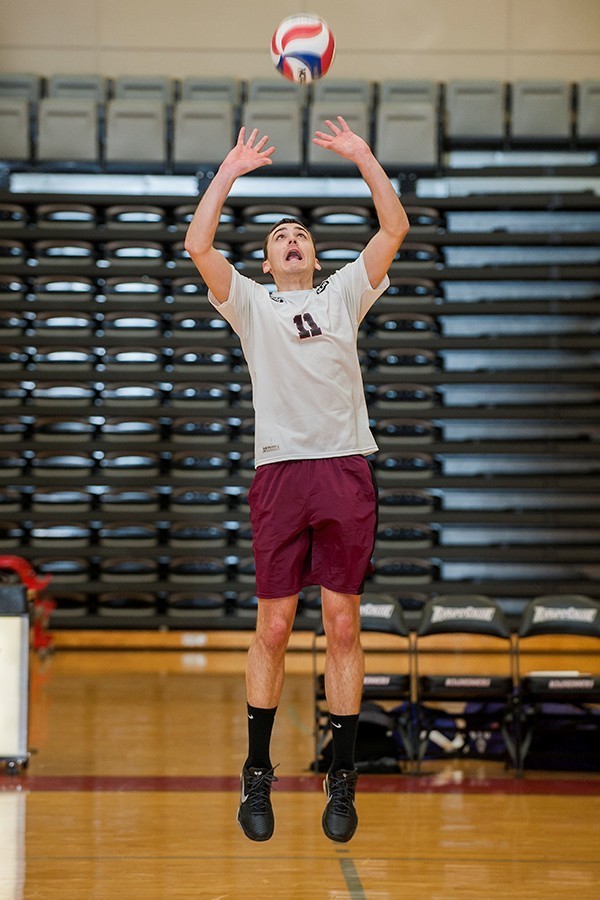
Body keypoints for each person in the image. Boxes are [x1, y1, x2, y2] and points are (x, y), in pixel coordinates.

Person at [184, 116, 409, 843]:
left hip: (343, 466)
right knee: (275, 626)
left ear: (313, 256)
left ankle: (342, 776)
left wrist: (364, 155)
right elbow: (197, 246)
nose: (291, 239)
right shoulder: (251, 304)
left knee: (342, 623)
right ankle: (258, 773)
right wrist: (228, 171)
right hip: (280, 471)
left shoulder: (343, 293)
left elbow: (395, 227)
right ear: (267, 259)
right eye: (280, 235)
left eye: (302, 235)